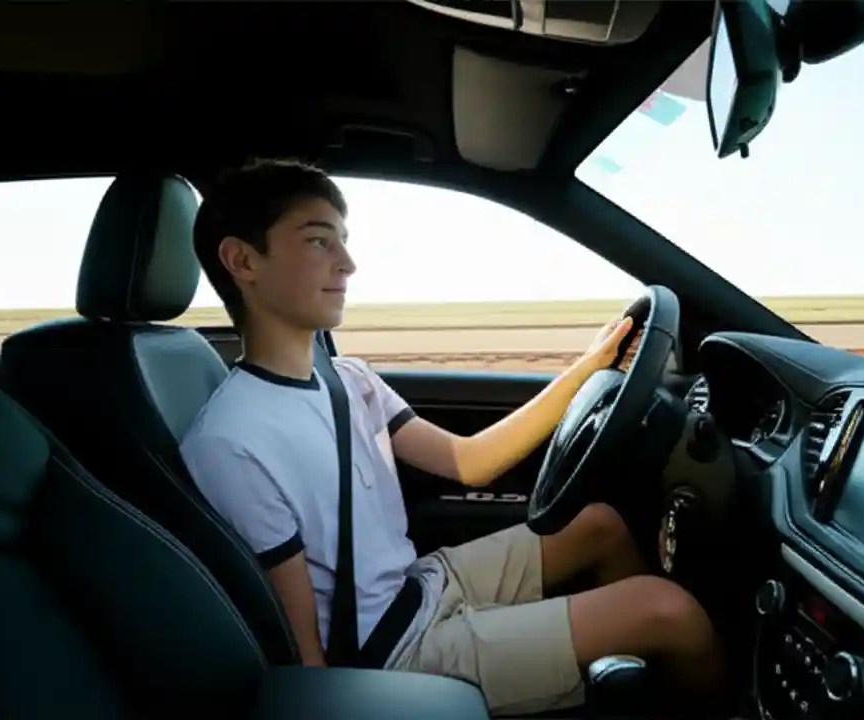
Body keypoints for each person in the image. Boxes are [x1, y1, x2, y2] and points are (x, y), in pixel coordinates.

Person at [180, 158, 723, 715]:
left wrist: (587, 369)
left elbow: (468, 462)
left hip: (420, 585)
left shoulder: (349, 380)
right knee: (667, 610)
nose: (348, 263)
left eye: (344, 240)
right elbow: (305, 652)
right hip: (388, 652)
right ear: (242, 260)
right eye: (319, 241)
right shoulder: (232, 440)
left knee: (600, 526)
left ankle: (632, 688)